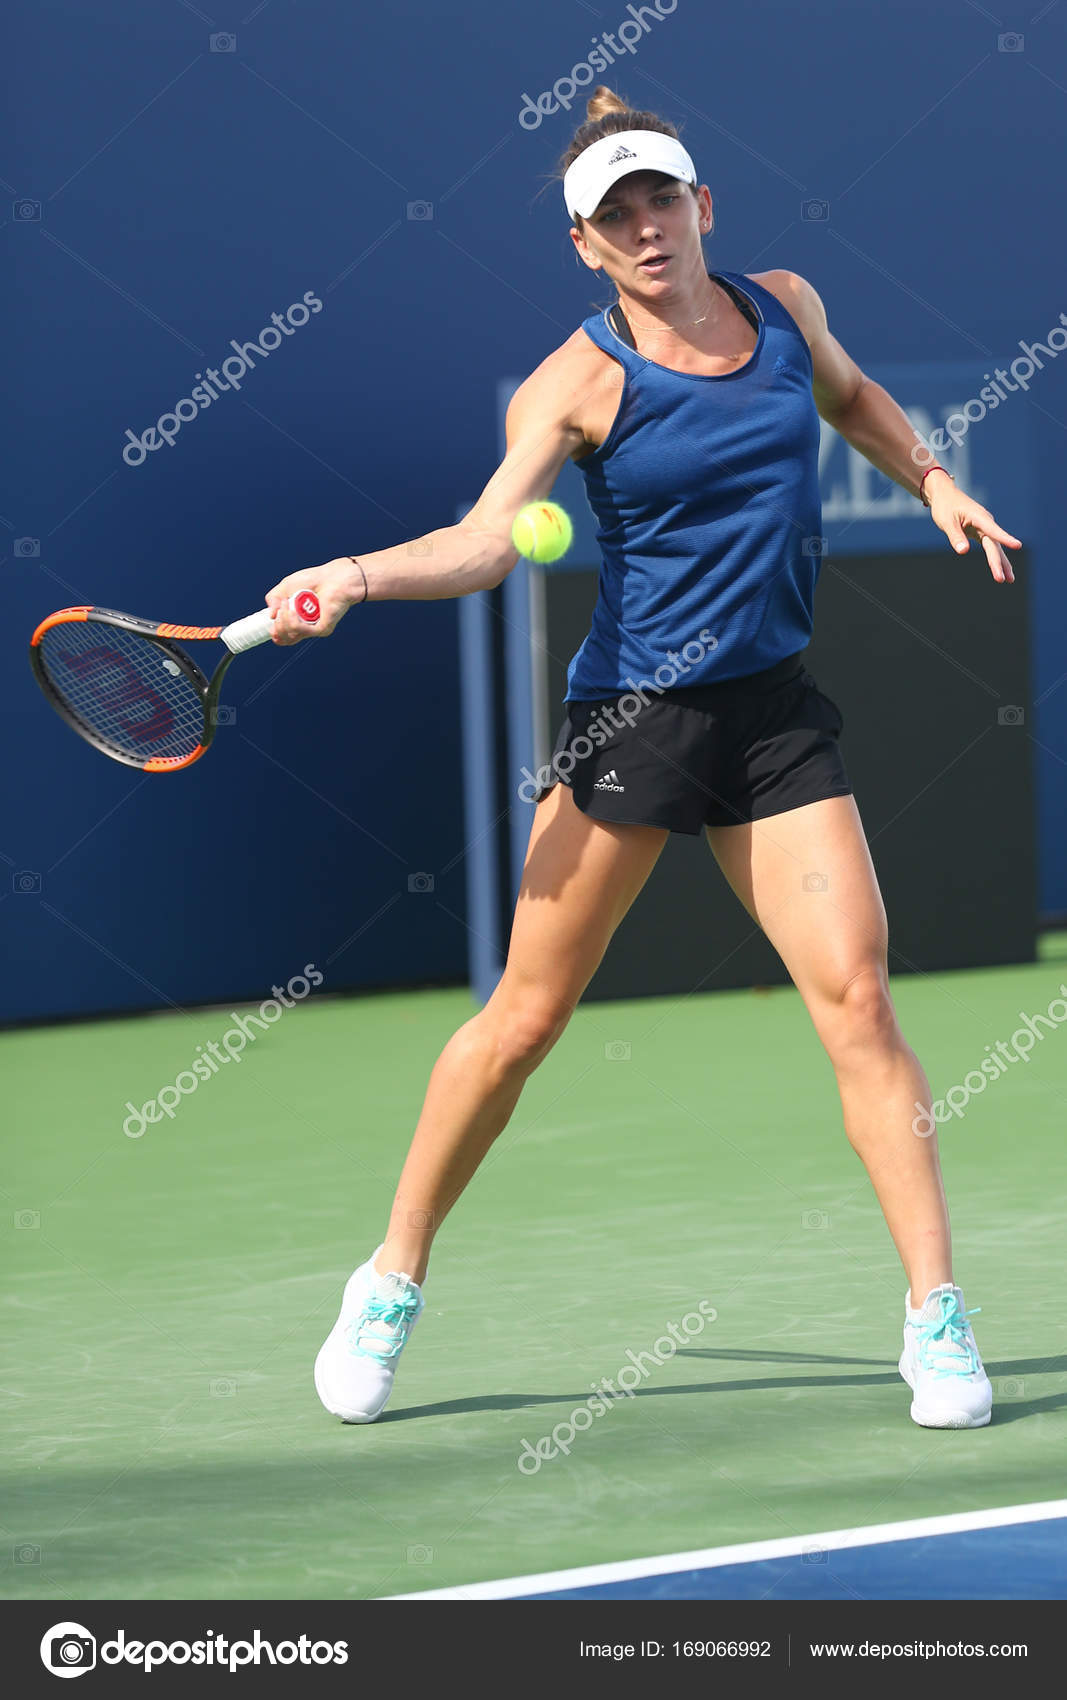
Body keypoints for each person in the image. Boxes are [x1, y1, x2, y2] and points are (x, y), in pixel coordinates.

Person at [265, 88, 1020, 1431]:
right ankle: (389, 1276)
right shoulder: (582, 382)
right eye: (616, 215)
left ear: (702, 204)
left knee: (858, 998)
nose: (647, 227)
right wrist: (358, 574)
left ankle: (936, 1318)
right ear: (585, 246)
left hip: (776, 714)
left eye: (661, 198)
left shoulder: (785, 304)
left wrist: (933, 477)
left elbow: (851, 400)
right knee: (524, 1025)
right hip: (634, 723)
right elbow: (492, 543)